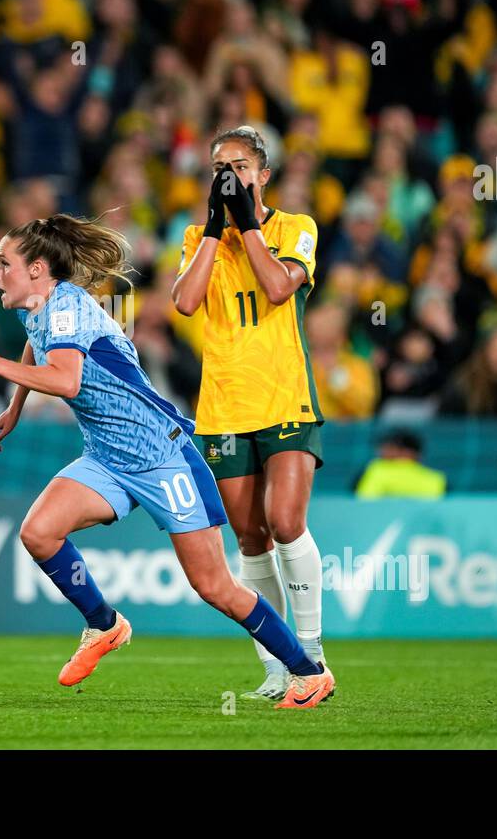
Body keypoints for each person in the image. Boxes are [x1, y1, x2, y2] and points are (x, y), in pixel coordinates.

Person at [0, 213, 334, 709]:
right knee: (39, 532)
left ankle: (308, 672)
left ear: (37, 269)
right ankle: (104, 625)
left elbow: (68, 380)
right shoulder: (37, 307)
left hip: (163, 457)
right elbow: (37, 343)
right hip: (107, 458)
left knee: (215, 586)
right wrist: (14, 406)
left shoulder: (67, 305)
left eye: (3, 262)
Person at [170, 125, 331, 701]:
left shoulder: (296, 228)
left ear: (264, 174)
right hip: (224, 408)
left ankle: (310, 654)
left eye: (239, 165)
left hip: (286, 397)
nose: (227, 175)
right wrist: (217, 228)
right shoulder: (197, 236)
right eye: (218, 166)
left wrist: (249, 227)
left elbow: (279, 288)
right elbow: (185, 302)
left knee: (286, 522)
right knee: (251, 539)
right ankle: (274, 667)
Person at [353, 429, 446, 499]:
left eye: (390, 448)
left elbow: (364, 503)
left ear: (409, 452)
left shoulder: (376, 469)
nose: (382, 453)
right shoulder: (437, 479)